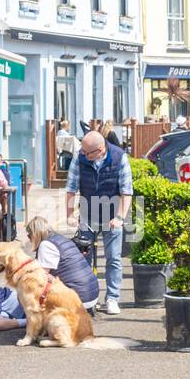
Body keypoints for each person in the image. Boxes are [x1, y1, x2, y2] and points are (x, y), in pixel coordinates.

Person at [65, 130, 133, 315]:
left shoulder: (119, 157)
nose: (84, 155)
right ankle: (87, 298)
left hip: (112, 212)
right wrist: (70, 214)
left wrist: (119, 217)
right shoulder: (80, 157)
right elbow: (71, 188)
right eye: (83, 152)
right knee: (83, 258)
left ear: (101, 149)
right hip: (88, 211)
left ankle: (112, 298)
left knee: (113, 258)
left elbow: (126, 190)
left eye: (88, 153)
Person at [25, 215, 100, 311]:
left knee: (37, 280)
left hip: (79, 299)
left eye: (29, 235)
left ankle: (33, 317)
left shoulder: (46, 245)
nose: (29, 238)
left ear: (35, 234)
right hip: (91, 294)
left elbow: (41, 277)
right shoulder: (60, 238)